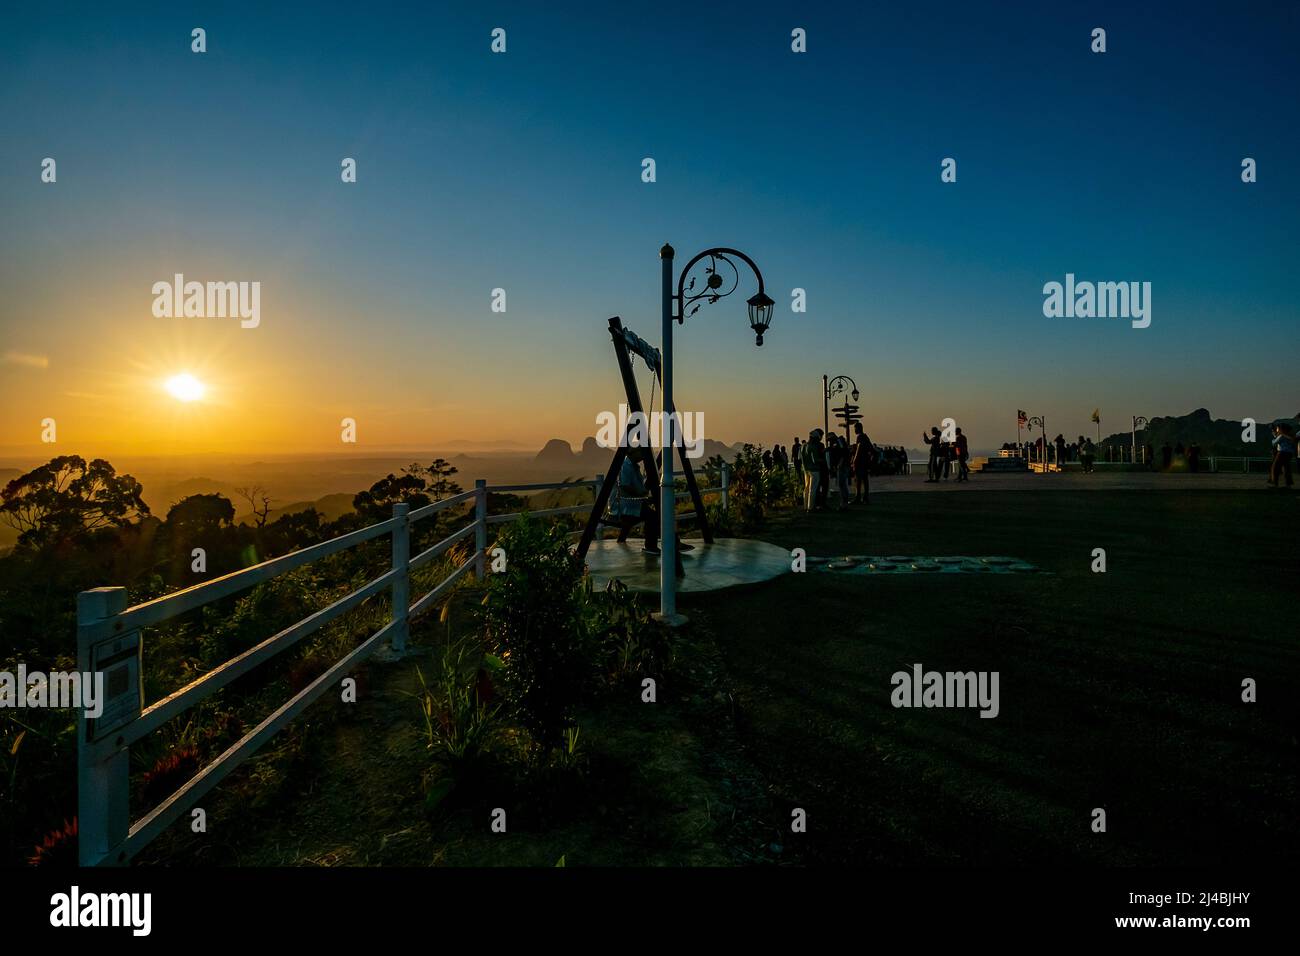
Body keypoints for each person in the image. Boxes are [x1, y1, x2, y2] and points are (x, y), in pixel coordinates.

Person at [612, 448, 659, 553]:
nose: (643, 455)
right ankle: (650, 546)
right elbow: (625, 486)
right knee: (653, 516)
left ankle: (622, 538)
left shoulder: (633, 466)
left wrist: (643, 496)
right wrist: (641, 494)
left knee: (646, 516)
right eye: (641, 453)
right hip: (627, 505)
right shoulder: (626, 466)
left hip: (632, 503)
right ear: (633, 453)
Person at [801, 429, 823, 511]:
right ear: (814, 438)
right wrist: (822, 459)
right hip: (814, 470)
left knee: (806, 489)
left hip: (805, 469)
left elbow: (801, 458)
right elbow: (815, 460)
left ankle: (805, 506)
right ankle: (811, 507)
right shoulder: (812, 446)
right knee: (813, 489)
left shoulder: (803, 446)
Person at [851, 422, 874, 502]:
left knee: (858, 480)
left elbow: (858, 449)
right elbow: (871, 449)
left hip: (860, 462)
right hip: (865, 462)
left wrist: (854, 461)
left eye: (855, 428)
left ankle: (858, 497)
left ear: (858, 428)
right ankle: (865, 497)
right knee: (865, 480)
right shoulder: (866, 437)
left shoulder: (860, 437)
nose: (854, 430)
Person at [1268, 423, 1295, 488]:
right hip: (1289, 453)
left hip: (1282, 452)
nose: (1277, 429)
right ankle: (1288, 484)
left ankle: (1275, 484)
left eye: (1277, 428)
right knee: (1286, 468)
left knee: (1275, 468)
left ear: (1281, 429)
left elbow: (1274, 443)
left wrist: (1275, 437)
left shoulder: (1281, 436)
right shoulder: (1290, 436)